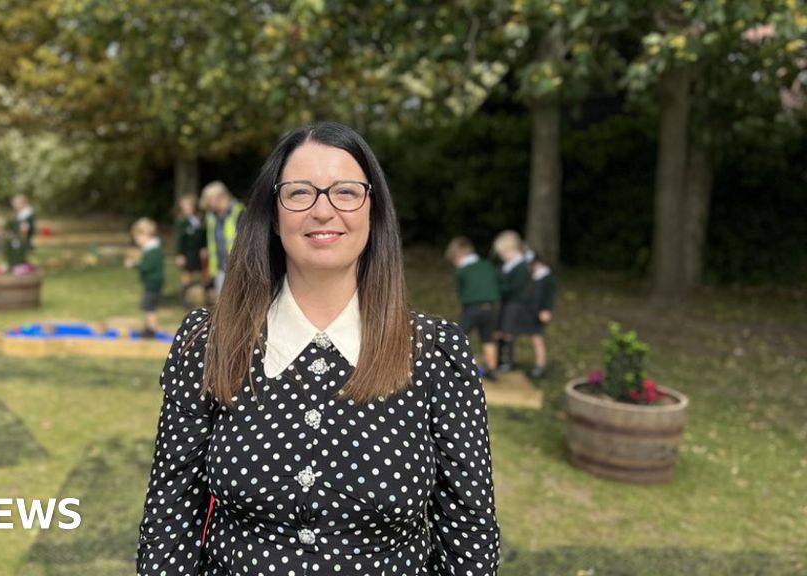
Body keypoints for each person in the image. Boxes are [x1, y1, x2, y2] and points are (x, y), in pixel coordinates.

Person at [137, 122, 500, 574]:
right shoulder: (209, 342)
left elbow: (470, 536)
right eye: (300, 193)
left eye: (345, 192)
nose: (323, 211)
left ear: (373, 211)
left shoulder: (436, 352)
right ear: (274, 214)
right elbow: (169, 521)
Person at [445, 236, 500, 380]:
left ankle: (457, 367)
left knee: (459, 337)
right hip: (490, 308)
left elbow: (462, 290)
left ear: (458, 256)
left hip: (472, 308)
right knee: (488, 338)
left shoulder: (462, 271)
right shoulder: (487, 265)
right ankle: (492, 369)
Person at [201, 181, 245, 297]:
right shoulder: (211, 216)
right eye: (208, 199)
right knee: (222, 300)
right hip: (220, 267)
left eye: (211, 199)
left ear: (222, 197)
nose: (209, 203)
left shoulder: (238, 212)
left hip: (238, 267)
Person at [493, 230, 529, 373]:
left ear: (512, 249)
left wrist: (497, 289)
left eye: (503, 252)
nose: (501, 255)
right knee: (501, 331)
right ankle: (499, 360)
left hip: (515, 303)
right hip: (506, 302)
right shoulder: (507, 265)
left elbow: (515, 287)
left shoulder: (521, 267)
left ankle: (509, 361)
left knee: (508, 332)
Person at [126, 218, 165, 338]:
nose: (137, 240)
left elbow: (147, 266)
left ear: (145, 235)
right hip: (152, 282)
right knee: (149, 306)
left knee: (149, 306)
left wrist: (134, 264)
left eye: (138, 237)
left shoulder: (153, 250)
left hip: (153, 283)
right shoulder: (150, 249)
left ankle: (151, 329)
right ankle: (149, 327)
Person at [521, 252, 557, 379]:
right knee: (533, 338)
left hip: (539, 312)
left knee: (537, 338)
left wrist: (547, 309)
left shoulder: (547, 277)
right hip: (530, 311)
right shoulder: (533, 276)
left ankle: (540, 365)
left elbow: (550, 295)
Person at [173, 194, 205, 307]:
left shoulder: (199, 219)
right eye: (184, 207)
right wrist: (179, 254)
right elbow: (179, 239)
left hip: (198, 251)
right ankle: (184, 298)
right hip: (187, 252)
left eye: (188, 206)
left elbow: (203, 235)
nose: (186, 209)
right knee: (187, 275)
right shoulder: (181, 222)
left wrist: (204, 247)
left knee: (203, 274)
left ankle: (203, 297)